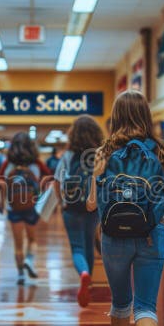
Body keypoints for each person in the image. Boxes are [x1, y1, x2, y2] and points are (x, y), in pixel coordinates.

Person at [87, 90, 164, 326]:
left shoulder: (104, 151)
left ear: (116, 116)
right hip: (152, 235)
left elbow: (90, 204)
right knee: (146, 306)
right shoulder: (161, 150)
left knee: (121, 303)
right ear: (145, 115)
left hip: (114, 239)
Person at [53, 115, 104, 307]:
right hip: (93, 207)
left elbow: (57, 182)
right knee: (89, 243)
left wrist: (61, 203)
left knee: (77, 247)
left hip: (72, 208)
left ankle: (83, 273)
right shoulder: (99, 154)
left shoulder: (68, 156)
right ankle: (88, 282)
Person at [0, 132, 53, 285]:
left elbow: (0, 183)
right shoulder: (36, 163)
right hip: (32, 206)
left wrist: (0, 201)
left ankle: (21, 274)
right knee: (32, 240)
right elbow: (48, 179)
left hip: (13, 206)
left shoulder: (7, 164)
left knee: (18, 243)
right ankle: (29, 260)